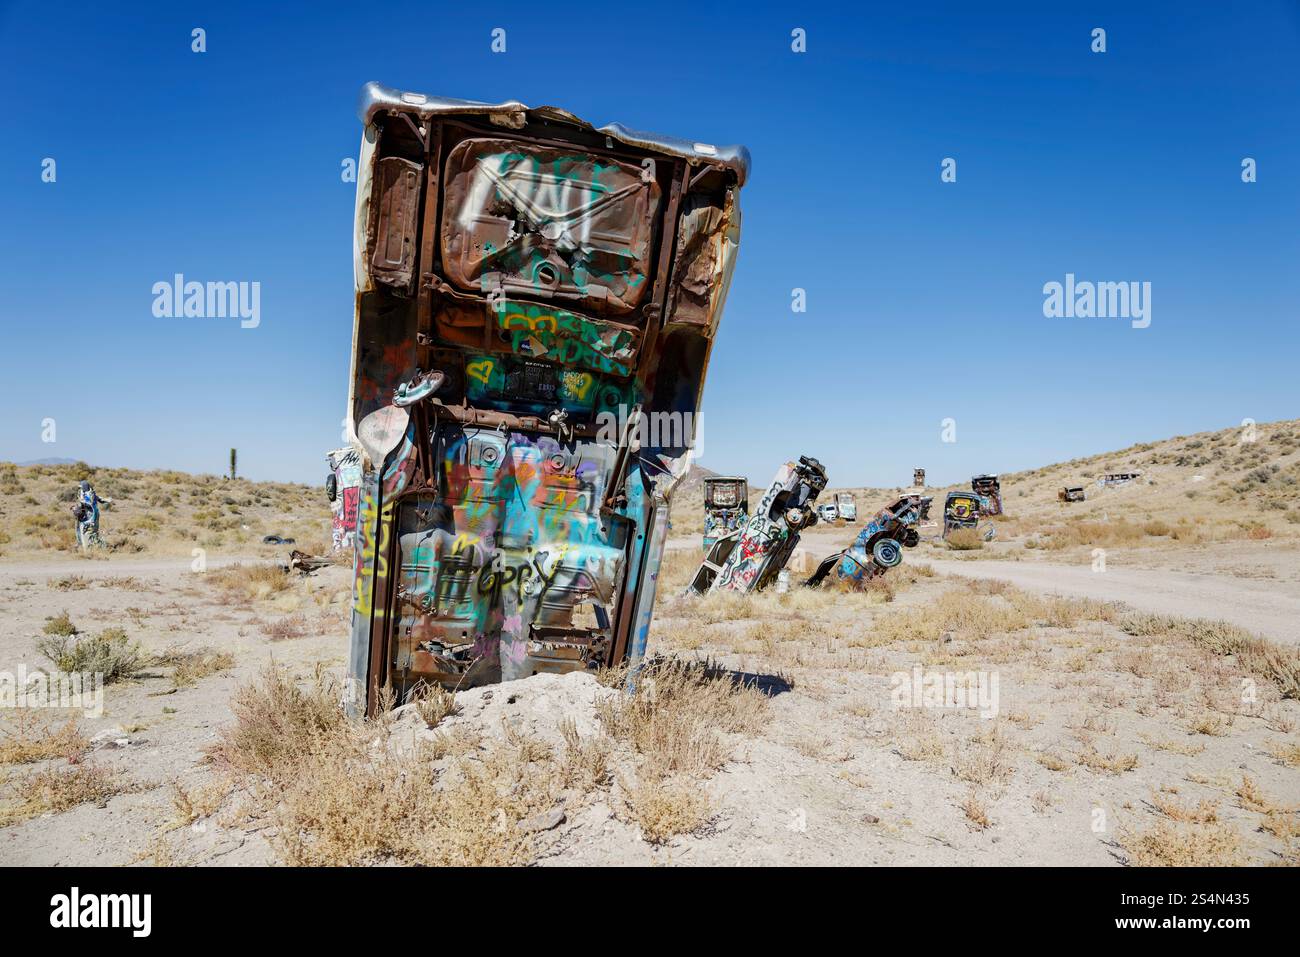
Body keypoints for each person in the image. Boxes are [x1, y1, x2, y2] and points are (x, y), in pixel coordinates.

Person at [73, 480, 112, 550]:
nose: (80, 489)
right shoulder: (92, 493)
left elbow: (87, 503)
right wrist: (108, 500)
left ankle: (87, 548)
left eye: (81, 487)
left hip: (89, 516)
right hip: (95, 515)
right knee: (93, 532)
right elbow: (100, 499)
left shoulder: (86, 495)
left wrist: (77, 507)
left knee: (85, 532)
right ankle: (97, 547)